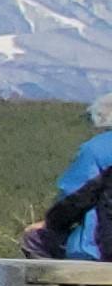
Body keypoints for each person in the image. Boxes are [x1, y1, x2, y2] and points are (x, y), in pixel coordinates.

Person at [26, 92, 112, 260]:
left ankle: (70, 285)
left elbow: (73, 197)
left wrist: (50, 222)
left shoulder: (96, 149)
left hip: (100, 249)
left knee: (33, 239)